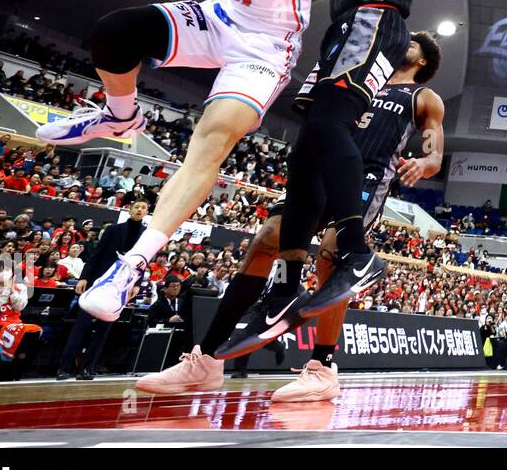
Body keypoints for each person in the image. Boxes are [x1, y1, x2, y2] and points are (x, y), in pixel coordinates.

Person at [41, 0, 313, 324]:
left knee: (212, 137)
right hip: (223, 18)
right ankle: (121, 116)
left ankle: (131, 266)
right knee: (116, 30)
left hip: (266, 47)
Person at [136, 36, 444, 398]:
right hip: (318, 169)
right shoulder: (363, 80)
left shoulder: (422, 97)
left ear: (423, 60)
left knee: (333, 255)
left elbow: (434, 151)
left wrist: (424, 163)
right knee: (268, 238)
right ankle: (206, 360)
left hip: (366, 176)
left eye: (413, 43)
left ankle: (323, 367)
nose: (403, 41)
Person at [253, 0, 422, 335]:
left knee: (329, 128)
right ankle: (285, 289)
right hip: (349, 27)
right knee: (306, 152)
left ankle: (356, 249)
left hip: (372, 22)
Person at [58, 201, 148, 380]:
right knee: (80, 327)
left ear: (147, 212)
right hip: (98, 282)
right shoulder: (114, 229)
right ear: (130, 209)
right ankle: (64, 368)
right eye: (136, 206)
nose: (139, 210)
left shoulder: (146, 236)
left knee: (103, 331)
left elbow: (143, 260)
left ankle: (87, 368)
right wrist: (84, 277)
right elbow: (96, 254)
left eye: (143, 208)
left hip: (121, 287)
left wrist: (137, 283)